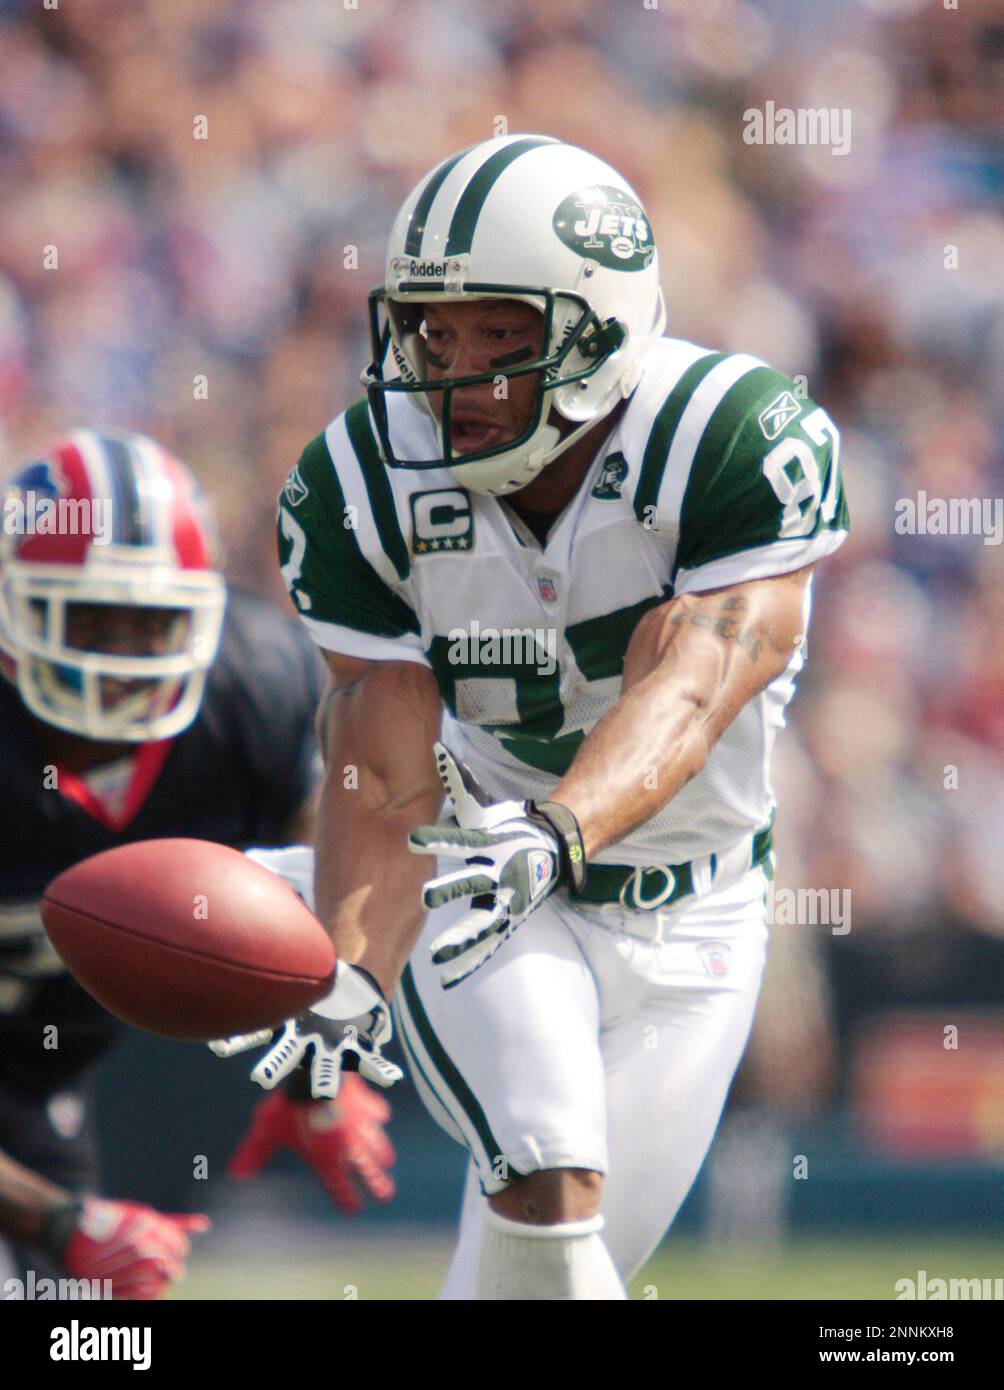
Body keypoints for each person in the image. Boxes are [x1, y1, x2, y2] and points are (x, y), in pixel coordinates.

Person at [218, 134, 849, 1300]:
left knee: (535, 1282)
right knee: (551, 1188)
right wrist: (352, 972)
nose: (450, 373)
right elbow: (379, 745)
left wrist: (562, 827)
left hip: (695, 905)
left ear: (596, 331)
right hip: (478, 877)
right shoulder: (360, 479)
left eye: (498, 338)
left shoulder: (726, 433)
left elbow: (697, 677)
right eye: (430, 332)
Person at [0, 429, 391, 1299]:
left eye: (150, 621)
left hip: (36, 1084)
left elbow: (317, 902)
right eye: (88, 616)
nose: (119, 654)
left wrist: (319, 1073)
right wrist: (56, 1220)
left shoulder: (254, 690)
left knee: (94, 1341)